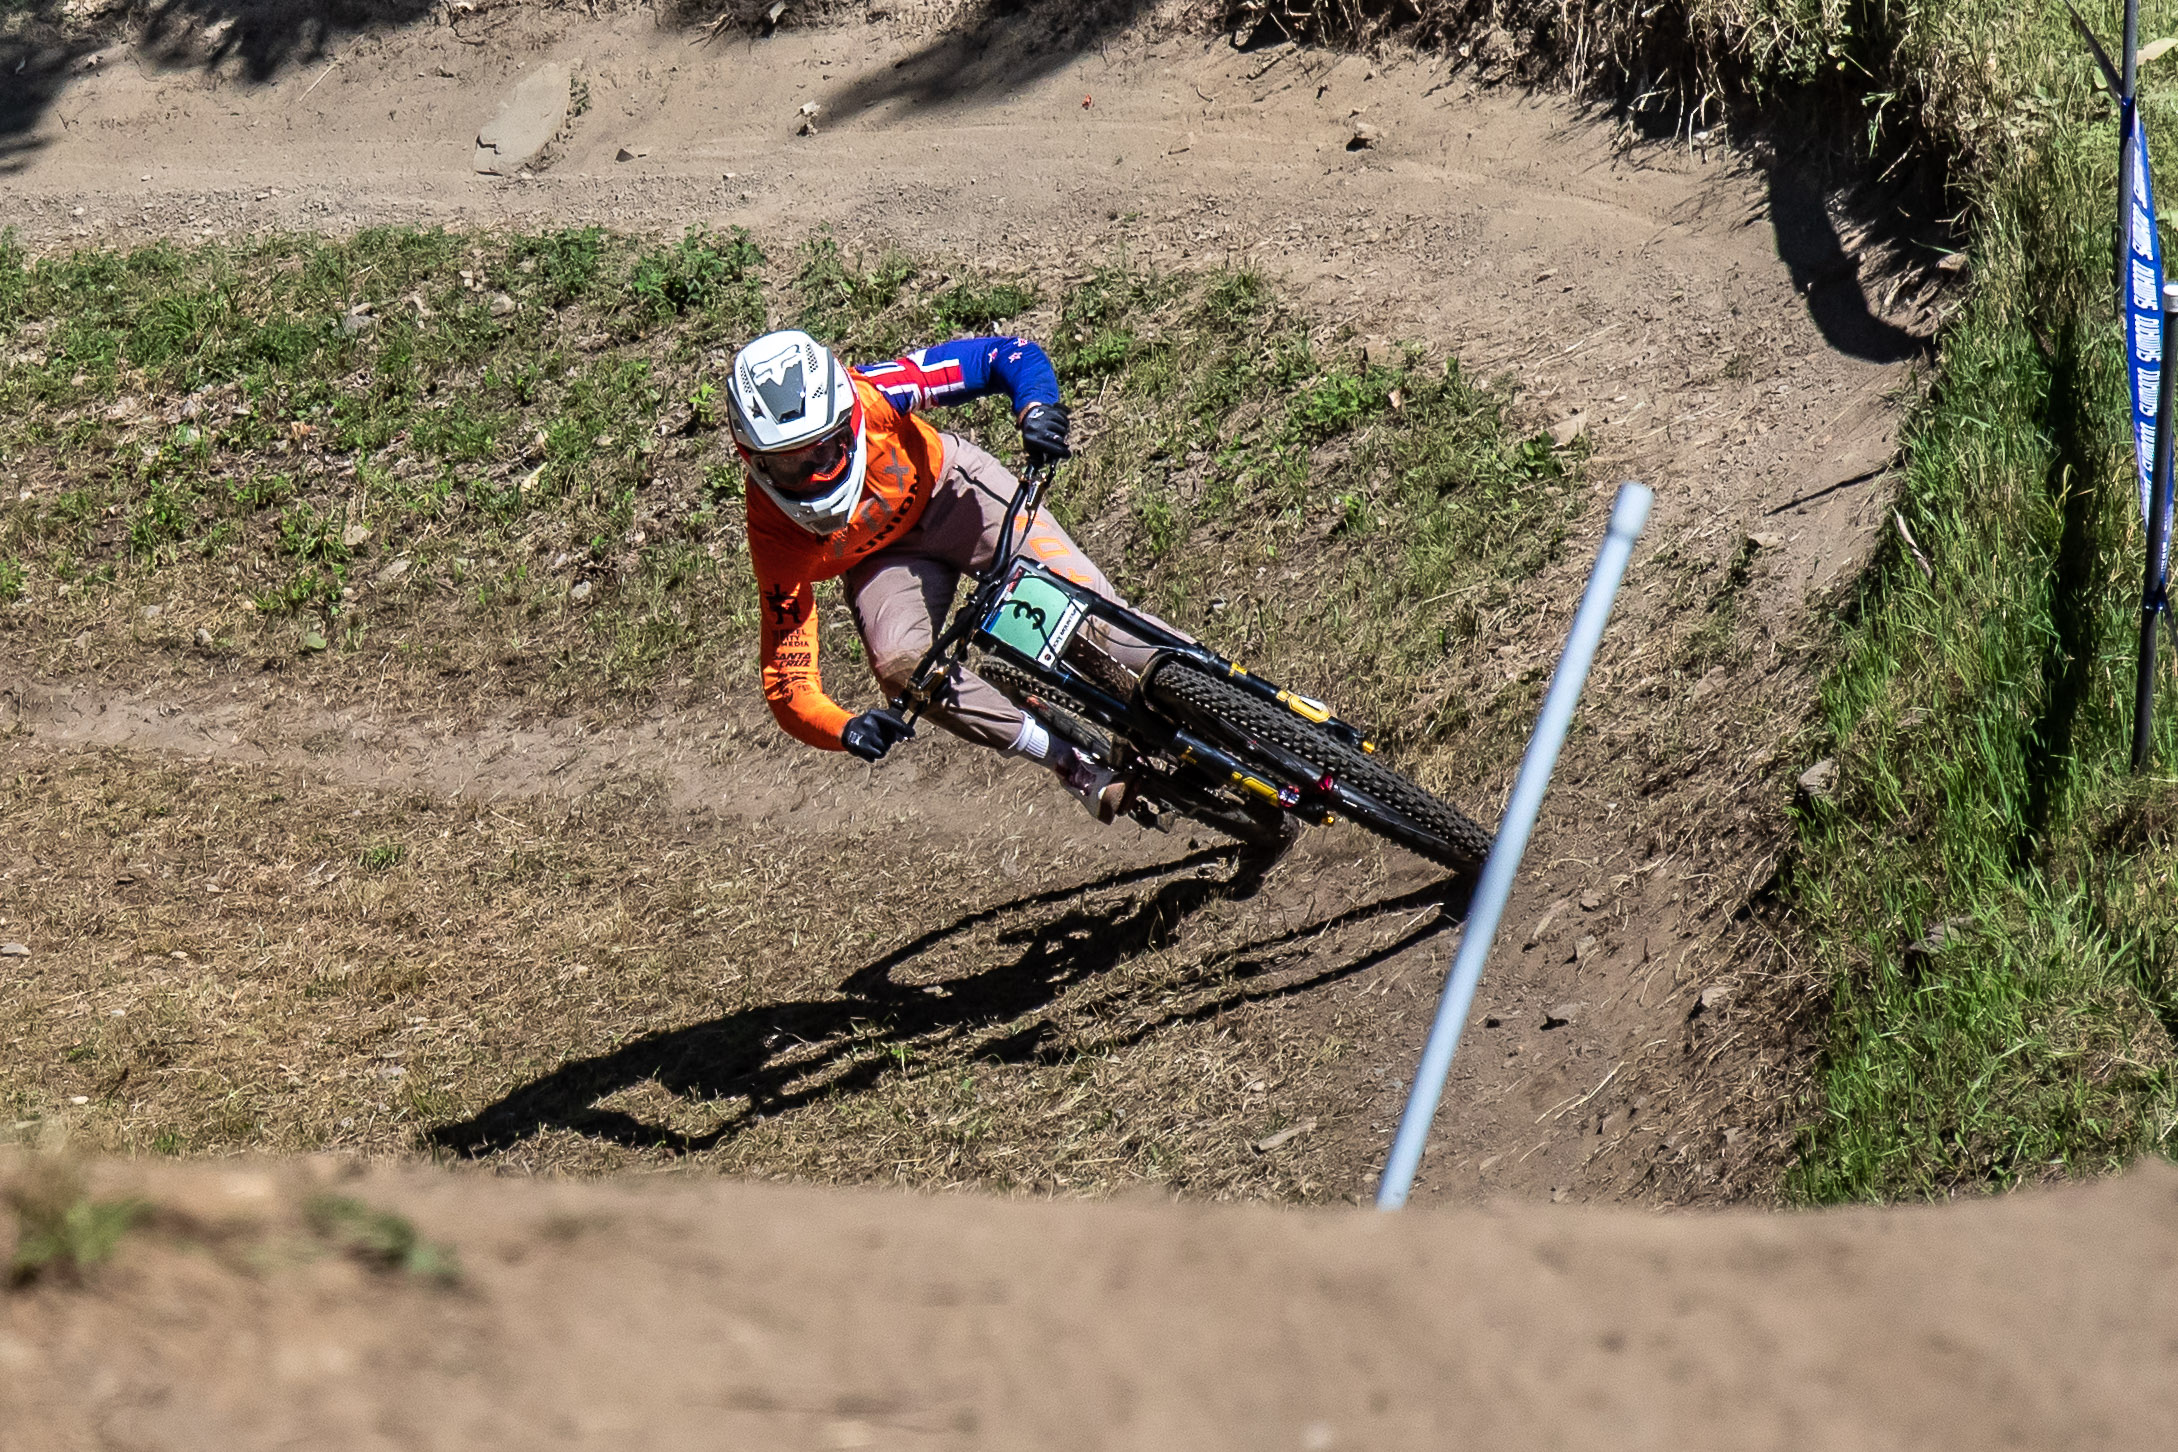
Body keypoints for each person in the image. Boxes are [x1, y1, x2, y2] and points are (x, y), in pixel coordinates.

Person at [725, 327, 1159, 821]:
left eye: (826, 450)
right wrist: (843, 729)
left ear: (849, 415)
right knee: (903, 671)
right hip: (879, 562)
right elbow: (788, 680)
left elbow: (1003, 354)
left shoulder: (877, 393)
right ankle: (1068, 759)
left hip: (949, 491)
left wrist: (1036, 407)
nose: (815, 474)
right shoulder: (773, 533)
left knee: (1095, 619)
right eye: (790, 467)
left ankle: (1223, 694)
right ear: (752, 459)